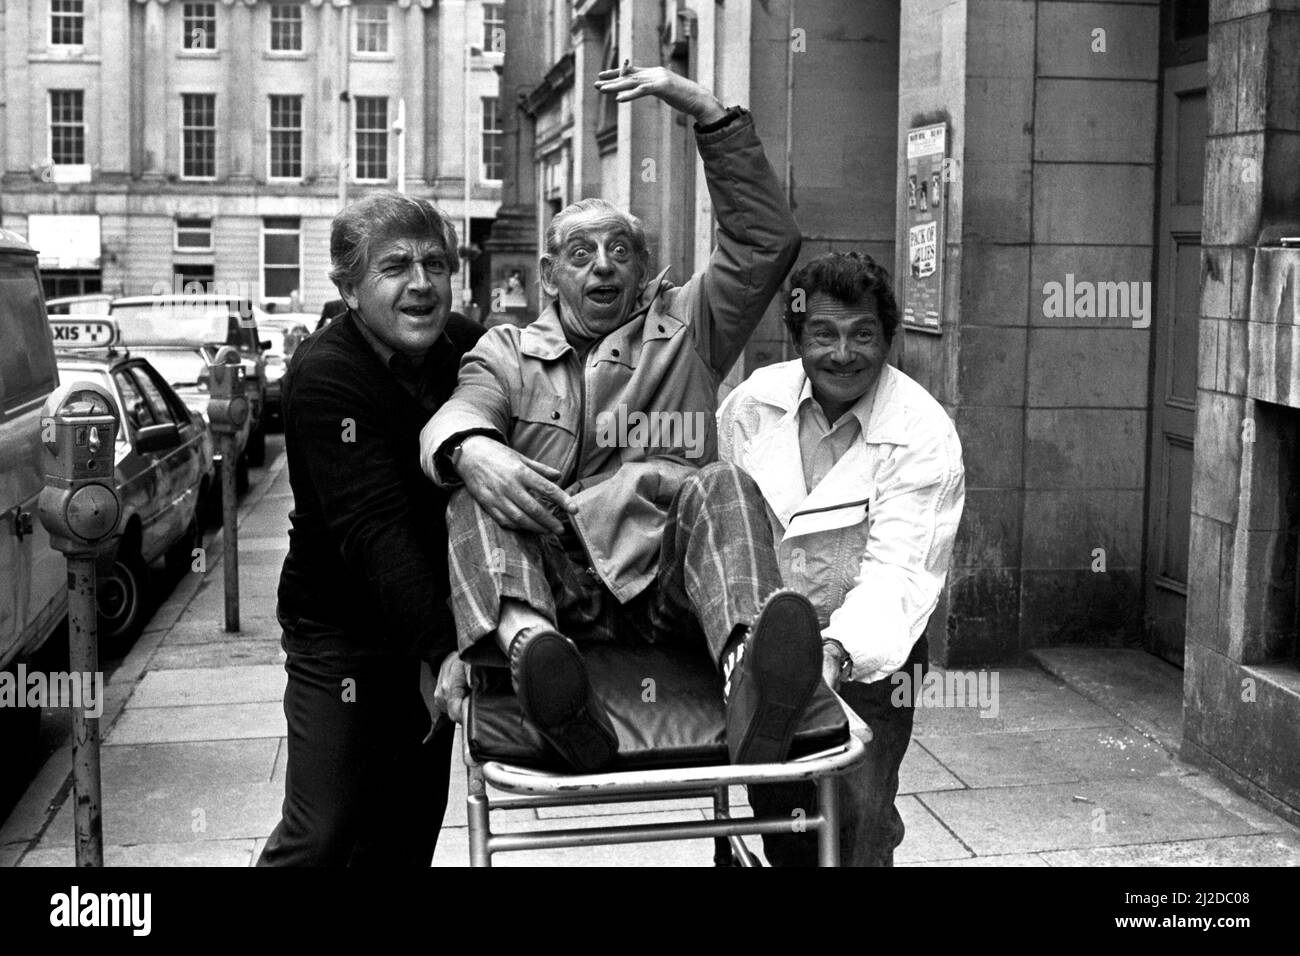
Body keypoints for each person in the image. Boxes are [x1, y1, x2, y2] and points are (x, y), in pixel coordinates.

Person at [420, 65, 819, 774]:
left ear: (642, 270)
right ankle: (540, 670)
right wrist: (472, 448)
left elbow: (766, 242)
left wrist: (703, 110)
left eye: (620, 252)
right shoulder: (507, 351)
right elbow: (460, 412)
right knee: (470, 493)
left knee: (724, 479)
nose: (602, 268)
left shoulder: (690, 326)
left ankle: (750, 673)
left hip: (671, 584)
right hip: (559, 593)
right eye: (581, 255)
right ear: (550, 274)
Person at [717, 251, 965, 866]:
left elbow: (900, 576)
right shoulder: (753, 404)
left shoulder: (924, 434)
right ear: (796, 336)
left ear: (889, 339)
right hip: (765, 655)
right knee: (786, 821)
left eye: (863, 335)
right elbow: (724, 523)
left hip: (873, 661)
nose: (843, 354)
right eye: (823, 334)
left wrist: (831, 654)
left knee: (857, 820)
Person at [258, 193, 483, 866]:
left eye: (435, 263)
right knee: (321, 831)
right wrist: (443, 649)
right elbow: (374, 529)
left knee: (405, 834)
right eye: (395, 266)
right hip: (343, 639)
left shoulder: (468, 350)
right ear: (350, 287)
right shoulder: (327, 377)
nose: (420, 283)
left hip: (431, 625)